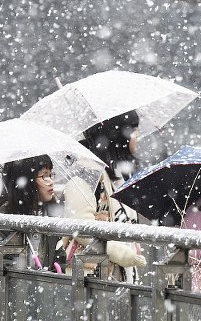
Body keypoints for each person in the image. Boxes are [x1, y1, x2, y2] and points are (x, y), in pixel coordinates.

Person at [62, 111, 146, 283]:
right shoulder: (86, 173)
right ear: (117, 133)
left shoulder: (118, 175)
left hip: (117, 277)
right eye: (133, 128)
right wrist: (122, 253)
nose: (138, 134)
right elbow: (81, 228)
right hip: (92, 280)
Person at [0, 155, 64, 271]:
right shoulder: (3, 220)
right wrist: (29, 276)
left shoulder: (49, 216)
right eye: (44, 176)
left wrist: (52, 275)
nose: (51, 182)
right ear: (27, 181)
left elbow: (59, 260)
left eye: (51, 175)